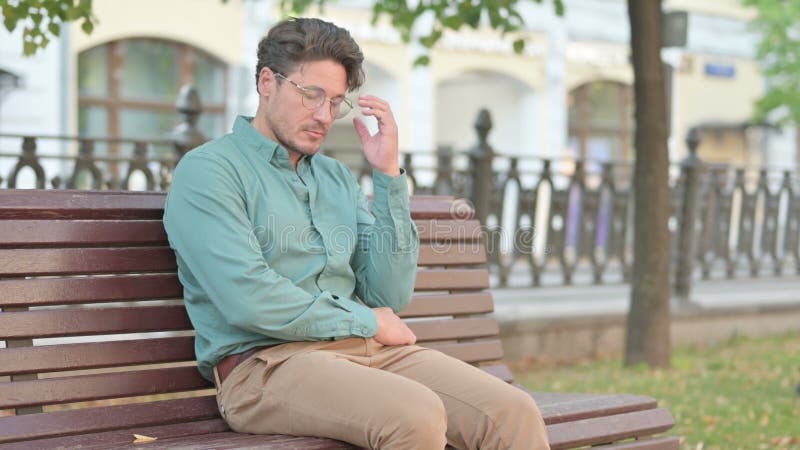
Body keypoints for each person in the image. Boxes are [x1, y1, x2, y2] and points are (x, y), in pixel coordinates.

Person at [164, 17, 549, 450]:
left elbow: (390, 291)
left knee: (512, 412)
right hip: (266, 366)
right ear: (267, 82)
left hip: (364, 353)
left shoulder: (335, 178)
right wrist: (365, 320)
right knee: (414, 414)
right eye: (311, 96)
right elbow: (247, 298)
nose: (324, 116)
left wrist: (387, 175)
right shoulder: (209, 172)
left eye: (336, 102)